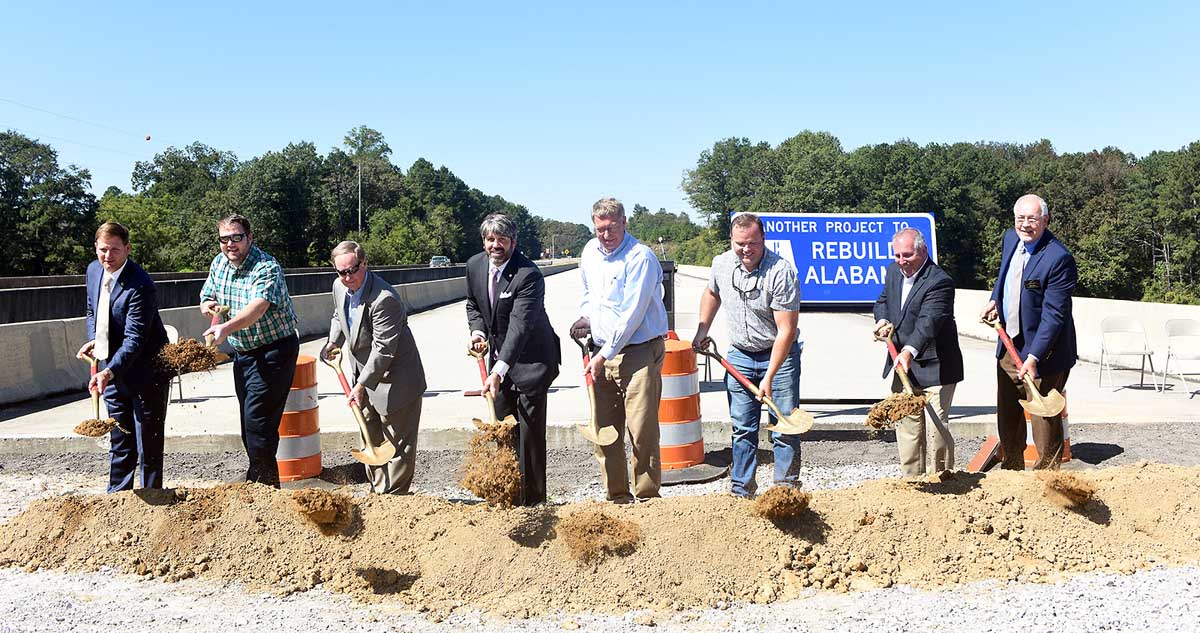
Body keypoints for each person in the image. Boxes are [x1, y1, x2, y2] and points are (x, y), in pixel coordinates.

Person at [692, 213, 803, 498]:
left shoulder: (781, 272)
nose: (746, 249)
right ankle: (742, 490)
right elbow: (711, 292)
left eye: (752, 243)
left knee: (784, 424)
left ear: (763, 239)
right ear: (731, 240)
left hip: (779, 356)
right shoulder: (721, 264)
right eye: (740, 243)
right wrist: (702, 329)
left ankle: (785, 491)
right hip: (739, 354)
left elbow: (786, 331)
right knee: (742, 427)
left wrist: (769, 376)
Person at [570, 197, 669, 504]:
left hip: (638, 352)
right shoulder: (589, 252)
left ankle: (647, 497)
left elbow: (632, 314)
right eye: (600, 228)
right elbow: (588, 293)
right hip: (600, 351)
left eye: (612, 227)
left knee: (642, 431)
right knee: (605, 429)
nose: (606, 234)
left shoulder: (641, 257)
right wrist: (587, 317)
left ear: (625, 222)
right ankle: (617, 496)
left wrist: (603, 355)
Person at [465, 214, 560, 505]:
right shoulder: (475, 266)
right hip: (497, 360)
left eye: (502, 240)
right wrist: (478, 332)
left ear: (513, 242)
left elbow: (520, 326)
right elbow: (473, 305)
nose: (495, 245)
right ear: (484, 241)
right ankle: (507, 494)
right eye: (490, 239)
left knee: (529, 435)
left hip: (532, 362)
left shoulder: (528, 275)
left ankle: (534, 500)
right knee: (503, 430)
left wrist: (498, 371)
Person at [200, 215, 299, 487]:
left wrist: (225, 329)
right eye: (224, 239)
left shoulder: (266, 266)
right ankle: (258, 480)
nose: (230, 244)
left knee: (258, 422)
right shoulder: (219, 263)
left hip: (274, 351)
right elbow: (208, 294)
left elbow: (257, 307)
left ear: (250, 237)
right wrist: (209, 305)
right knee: (249, 422)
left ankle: (265, 488)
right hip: (244, 353)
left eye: (236, 237)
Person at [981, 194, 1078, 470]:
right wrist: (994, 300)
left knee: (1044, 421)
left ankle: (1049, 479)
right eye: (1020, 219)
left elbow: (1054, 316)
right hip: (1009, 345)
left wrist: (1034, 357)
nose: (1025, 225)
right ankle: (1012, 469)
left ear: (1045, 220)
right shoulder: (1011, 240)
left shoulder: (1059, 259)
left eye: (1032, 219)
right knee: (1008, 415)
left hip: (1044, 354)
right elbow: (1005, 278)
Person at [321, 241, 426, 494]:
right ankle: (378, 493)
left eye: (353, 270)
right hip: (364, 376)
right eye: (341, 272)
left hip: (396, 380)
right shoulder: (339, 286)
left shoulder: (384, 299)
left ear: (365, 263)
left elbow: (384, 350)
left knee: (397, 445)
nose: (347, 277)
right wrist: (333, 342)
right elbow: (339, 315)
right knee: (370, 437)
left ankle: (395, 499)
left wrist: (359, 385)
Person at [76, 222, 171, 493]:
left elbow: (135, 339)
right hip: (112, 369)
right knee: (120, 439)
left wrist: (108, 372)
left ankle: (153, 501)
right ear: (95, 247)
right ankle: (117, 499)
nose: (108, 256)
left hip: (147, 372)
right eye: (103, 250)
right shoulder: (94, 271)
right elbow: (92, 310)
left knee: (148, 444)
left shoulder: (141, 285)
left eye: (115, 250)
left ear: (127, 249)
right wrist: (95, 339)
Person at [872, 227, 964, 476]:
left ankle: (942, 480)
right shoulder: (894, 272)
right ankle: (912, 482)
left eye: (908, 255)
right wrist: (881, 320)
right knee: (907, 425)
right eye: (898, 255)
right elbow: (882, 301)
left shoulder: (940, 282)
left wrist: (909, 351)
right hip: (903, 367)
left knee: (936, 429)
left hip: (936, 367)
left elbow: (929, 322)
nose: (902, 261)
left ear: (923, 251)